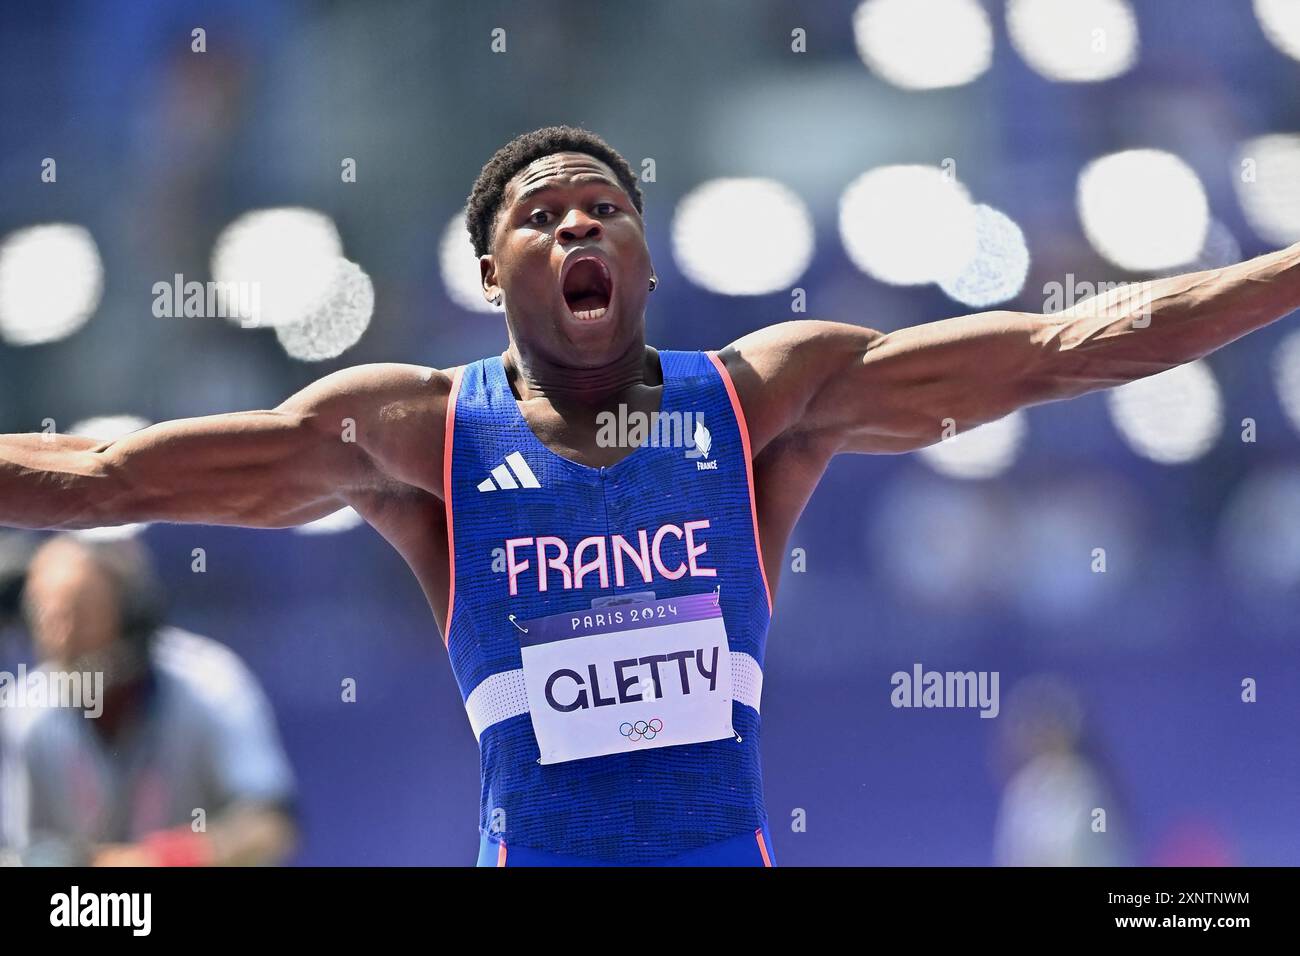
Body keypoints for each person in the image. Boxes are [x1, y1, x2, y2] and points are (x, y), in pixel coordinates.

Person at [1, 125, 1297, 865]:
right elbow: (112, 476)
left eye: (603, 208)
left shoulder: (757, 401)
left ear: (647, 262)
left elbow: (1070, 346)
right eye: (540, 216)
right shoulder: (420, 431)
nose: (576, 226)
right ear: (488, 275)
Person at [0, 535, 296, 866]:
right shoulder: (26, 714)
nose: (61, 637)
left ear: (131, 615)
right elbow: (21, 850)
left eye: (79, 614)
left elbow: (270, 826)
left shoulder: (208, 684)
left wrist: (160, 860)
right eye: (46, 616)